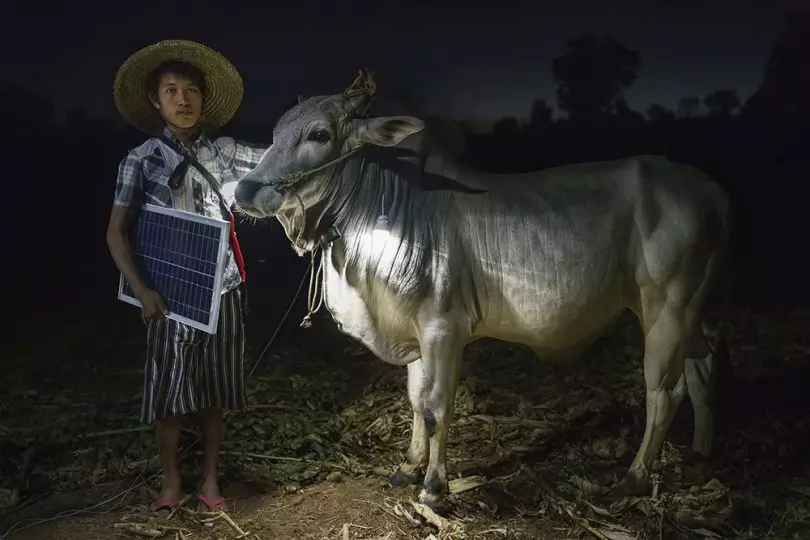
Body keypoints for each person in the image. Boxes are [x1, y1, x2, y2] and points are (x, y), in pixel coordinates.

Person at [106, 39, 268, 515]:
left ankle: (212, 478)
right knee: (170, 396)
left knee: (215, 391)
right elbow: (116, 234)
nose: (183, 99)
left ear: (203, 98)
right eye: (171, 90)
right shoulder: (140, 159)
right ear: (156, 101)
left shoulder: (226, 153)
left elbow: (281, 162)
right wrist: (141, 291)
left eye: (192, 89)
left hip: (225, 290)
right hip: (168, 297)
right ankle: (171, 482)